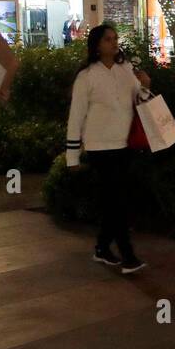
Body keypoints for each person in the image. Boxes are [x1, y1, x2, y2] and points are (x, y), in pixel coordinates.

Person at [66, 24, 151, 274]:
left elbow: (141, 100)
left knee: (115, 200)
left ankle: (102, 247)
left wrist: (145, 84)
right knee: (116, 201)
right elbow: (76, 116)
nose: (113, 43)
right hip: (98, 147)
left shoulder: (126, 70)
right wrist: (72, 155)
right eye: (107, 39)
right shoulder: (87, 76)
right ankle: (128, 255)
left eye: (115, 39)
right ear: (96, 44)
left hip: (123, 144)